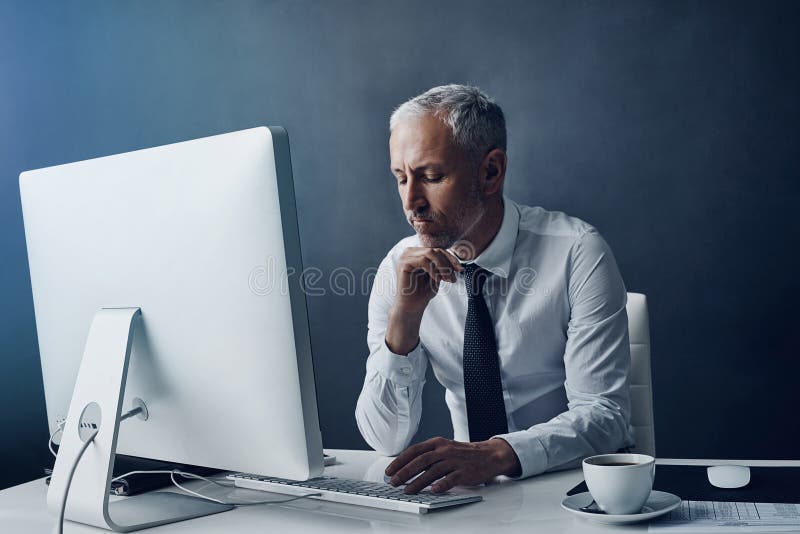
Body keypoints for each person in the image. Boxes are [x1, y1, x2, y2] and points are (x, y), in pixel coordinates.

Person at [355, 84, 634, 495]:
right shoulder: (400, 269)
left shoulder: (577, 252)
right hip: (476, 500)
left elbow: (606, 415)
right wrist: (404, 321)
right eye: (401, 178)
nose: (411, 201)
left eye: (431, 177)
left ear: (490, 172)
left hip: (573, 490)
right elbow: (384, 439)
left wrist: (495, 454)